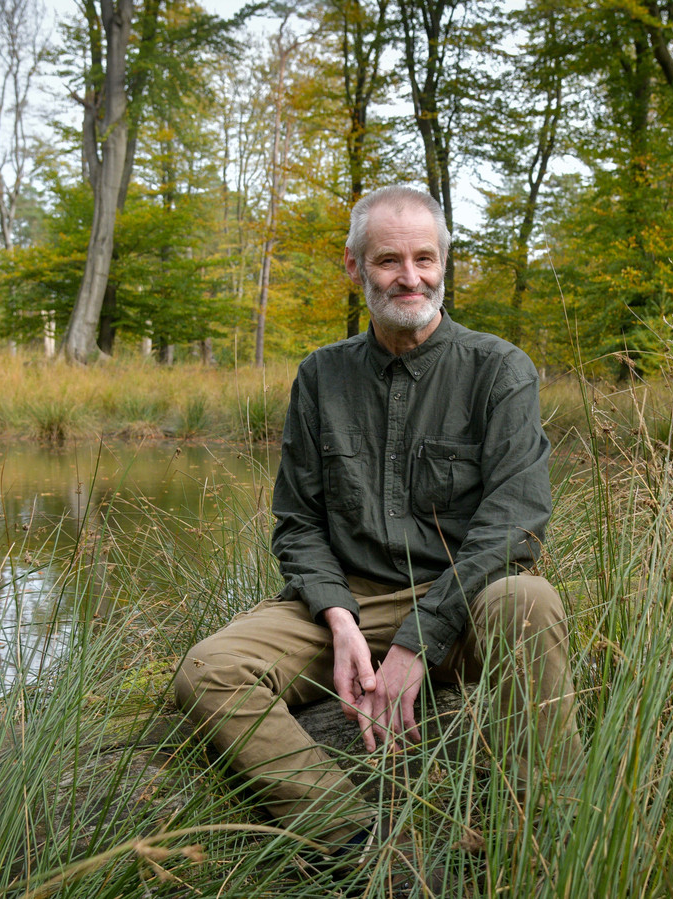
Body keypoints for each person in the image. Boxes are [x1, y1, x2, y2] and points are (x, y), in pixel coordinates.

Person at [174, 185, 583, 885]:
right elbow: (298, 521)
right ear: (354, 266)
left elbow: (513, 523)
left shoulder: (499, 370)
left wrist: (416, 642)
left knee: (531, 598)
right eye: (388, 259)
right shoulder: (320, 375)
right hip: (347, 601)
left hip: (462, 601)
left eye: (424, 258)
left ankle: (551, 838)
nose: (409, 276)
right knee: (207, 670)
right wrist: (337, 618)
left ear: (444, 262)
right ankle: (361, 847)